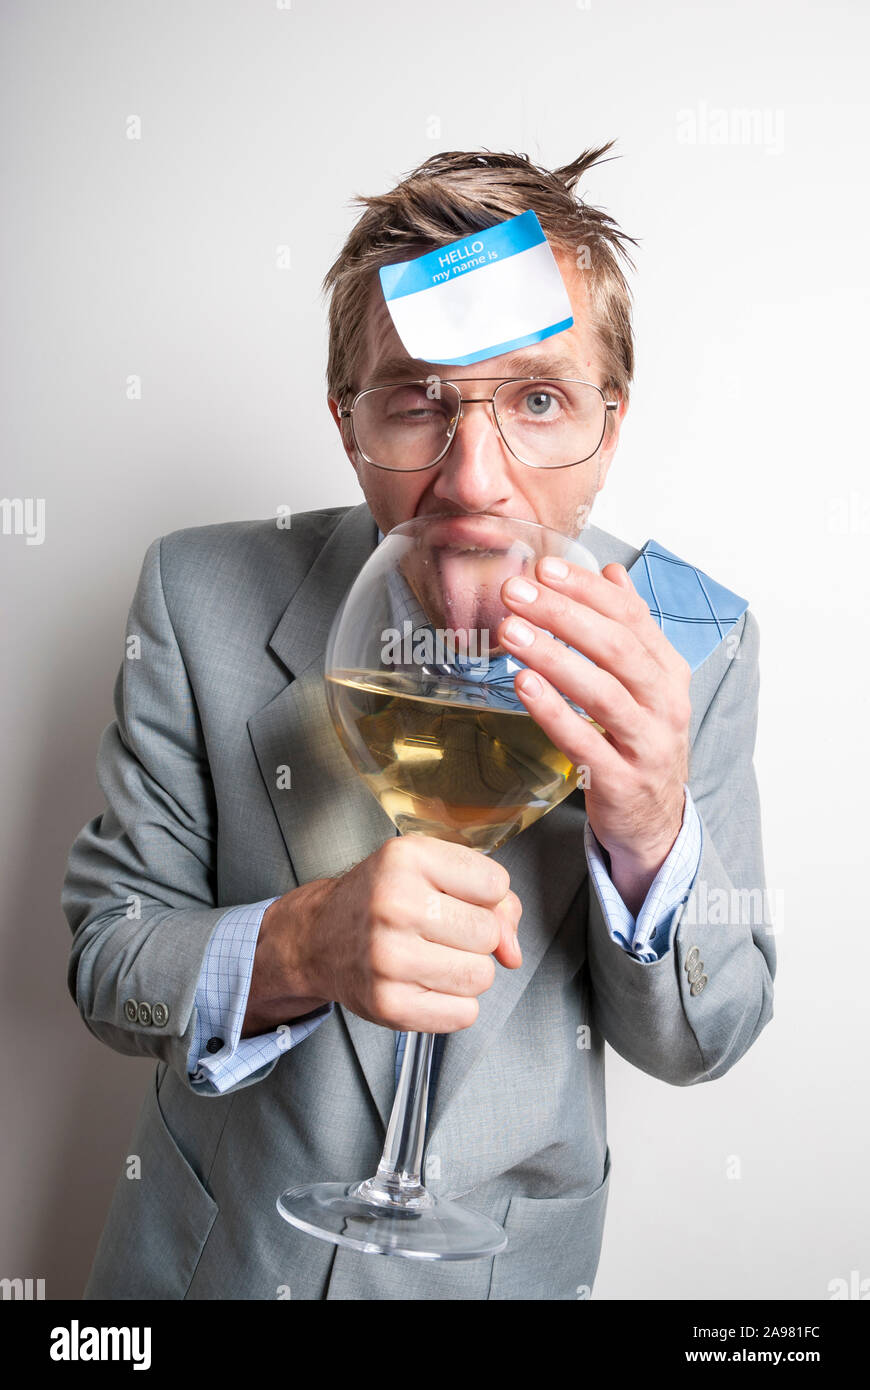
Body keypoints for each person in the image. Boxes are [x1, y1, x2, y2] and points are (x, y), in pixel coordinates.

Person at [62, 143, 775, 1301]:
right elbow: (106, 961)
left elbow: (703, 1043)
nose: (476, 481)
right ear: (349, 424)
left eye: (539, 400)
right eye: (419, 402)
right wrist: (299, 945)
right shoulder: (195, 598)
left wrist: (649, 828)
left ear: (611, 420)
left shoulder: (694, 639)